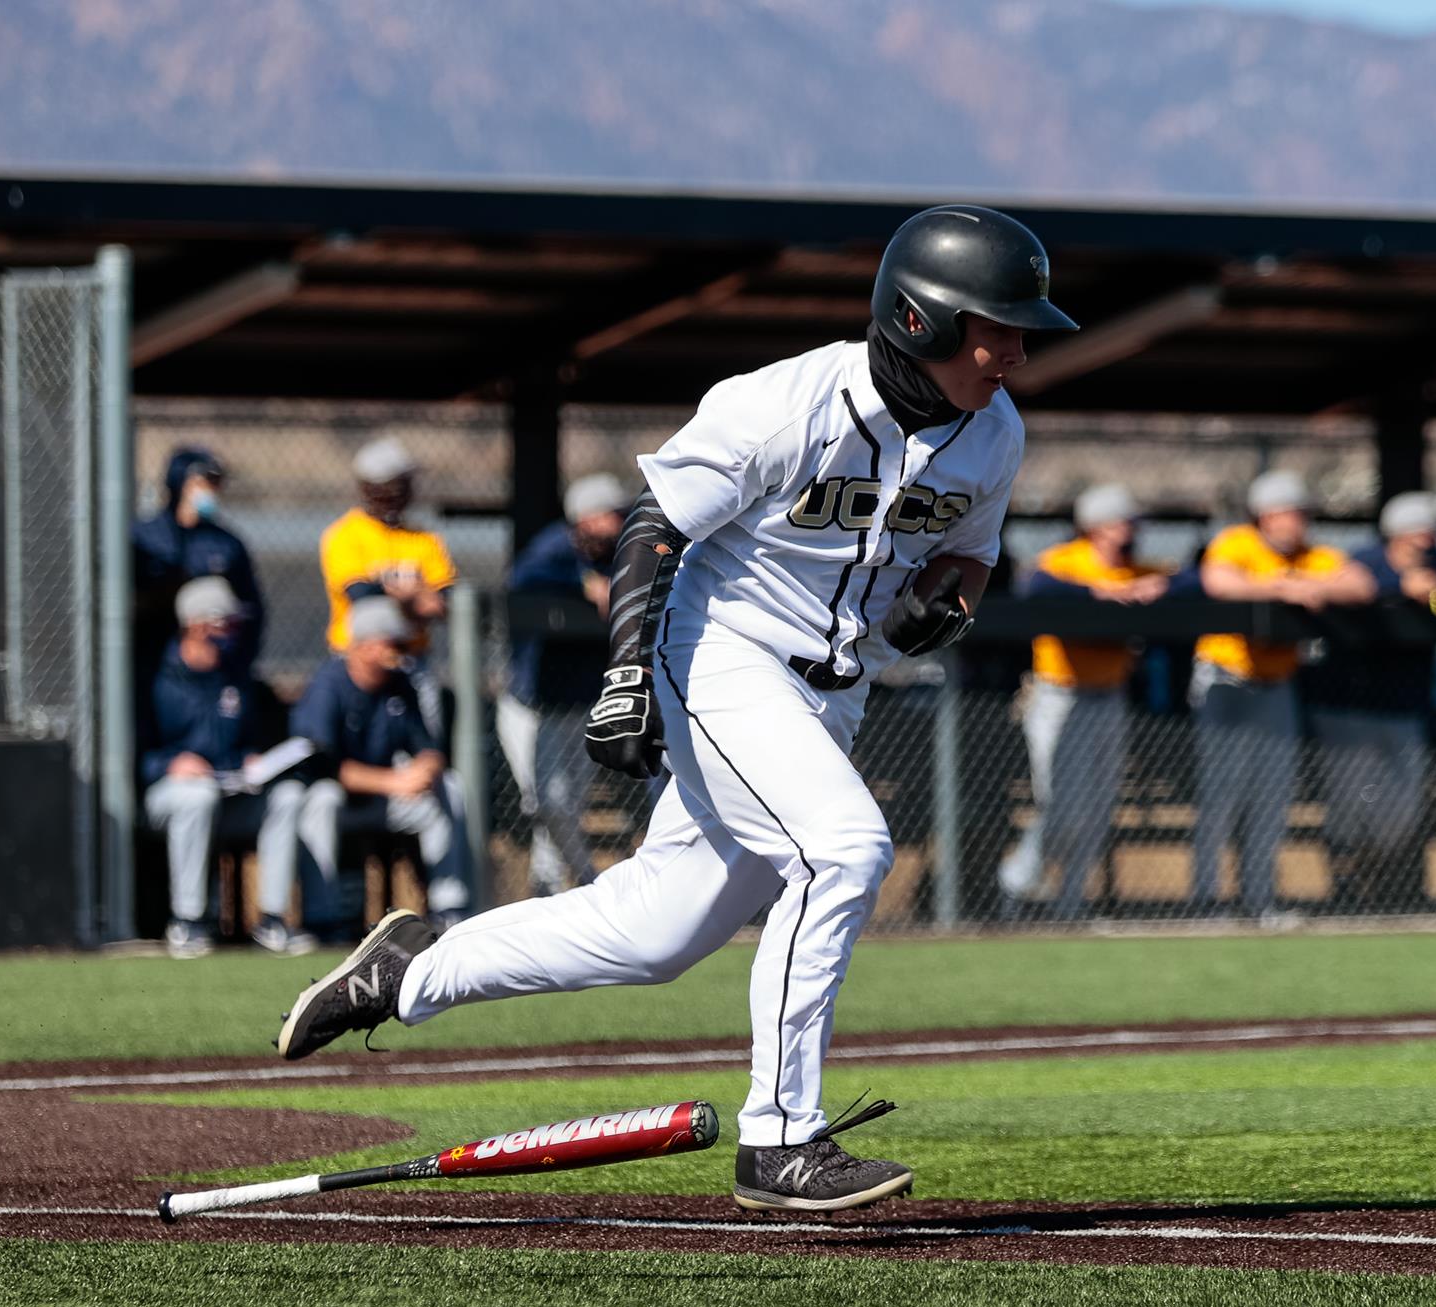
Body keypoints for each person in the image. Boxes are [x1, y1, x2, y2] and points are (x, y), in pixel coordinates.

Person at [276, 205, 1075, 1214]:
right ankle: (780, 1137)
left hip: (832, 693)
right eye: (991, 325)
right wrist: (626, 672)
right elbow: (653, 529)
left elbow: (969, 554)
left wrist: (946, 602)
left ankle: (412, 971)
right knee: (844, 848)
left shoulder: (993, 432)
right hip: (722, 656)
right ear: (918, 321)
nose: (1011, 347)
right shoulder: (785, 403)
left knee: (655, 934)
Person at [1191, 471, 1374, 916]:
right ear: (1267, 516)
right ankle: (1206, 901)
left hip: (1276, 685)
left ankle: (1259, 901)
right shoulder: (1237, 542)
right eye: (1293, 513)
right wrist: (1282, 586)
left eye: (1303, 513)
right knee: (1221, 795)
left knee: (1272, 796)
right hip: (1225, 680)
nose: (1301, 522)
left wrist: (1316, 587)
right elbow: (1218, 581)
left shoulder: (1314, 556)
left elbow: (1363, 585)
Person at [997, 483, 1170, 918]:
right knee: (1060, 805)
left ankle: (1070, 906)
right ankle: (1015, 890)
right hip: (1059, 695)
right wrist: (1101, 593)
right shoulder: (1065, 561)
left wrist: (1155, 589)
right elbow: (1034, 586)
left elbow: (1189, 581)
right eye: (1122, 522)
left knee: (1099, 808)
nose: (1131, 530)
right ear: (1096, 526)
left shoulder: (1138, 568)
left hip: (1109, 695)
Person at [1318, 490, 1436, 908]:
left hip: (1405, 705)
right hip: (1349, 705)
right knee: (1348, 807)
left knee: (1397, 817)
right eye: (1423, 532)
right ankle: (1344, 897)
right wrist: (1393, 585)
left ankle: (1383, 892)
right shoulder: (1364, 559)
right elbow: (1340, 589)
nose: (1431, 540)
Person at [139, 577, 311, 958]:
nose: (235, 630)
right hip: (167, 796)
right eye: (226, 621)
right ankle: (188, 921)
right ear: (198, 624)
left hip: (228, 795)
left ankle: (272, 918)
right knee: (196, 796)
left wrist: (250, 761)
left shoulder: (236, 677)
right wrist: (172, 762)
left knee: (287, 795)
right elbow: (133, 757)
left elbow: (242, 742)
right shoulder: (156, 677)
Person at [290, 597, 474, 937]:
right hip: (341, 800)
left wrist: (427, 769)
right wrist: (394, 782)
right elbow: (322, 766)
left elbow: (428, 748)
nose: (401, 649)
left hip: (382, 800)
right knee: (322, 799)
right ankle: (322, 918)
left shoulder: (400, 684)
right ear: (365, 645)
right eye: (393, 642)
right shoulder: (329, 684)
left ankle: (450, 908)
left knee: (448, 787)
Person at [499, 473, 631, 896]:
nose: (620, 521)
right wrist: (580, 585)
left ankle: (551, 887)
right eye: (611, 515)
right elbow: (521, 580)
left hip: (584, 701)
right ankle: (582, 880)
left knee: (566, 803)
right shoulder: (553, 548)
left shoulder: (623, 551)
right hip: (531, 706)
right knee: (544, 802)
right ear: (587, 518)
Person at [318, 437, 458, 735]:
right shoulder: (345, 535)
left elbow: (446, 600)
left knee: (424, 743)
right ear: (376, 487)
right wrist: (416, 595)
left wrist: (395, 594)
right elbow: (361, 596)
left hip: (413, 661)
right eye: (398, 483)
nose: (405, 491)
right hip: (356, 663)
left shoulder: (423, 539)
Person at [132, 446, 264, 673]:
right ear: (180, 483)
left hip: (211, 667)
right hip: (149, 659)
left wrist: (236, 657)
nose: (213, 491)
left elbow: (250, 608)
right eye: (204, 483)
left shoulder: (226, 544)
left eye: (217, 484)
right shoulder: (143, 537)